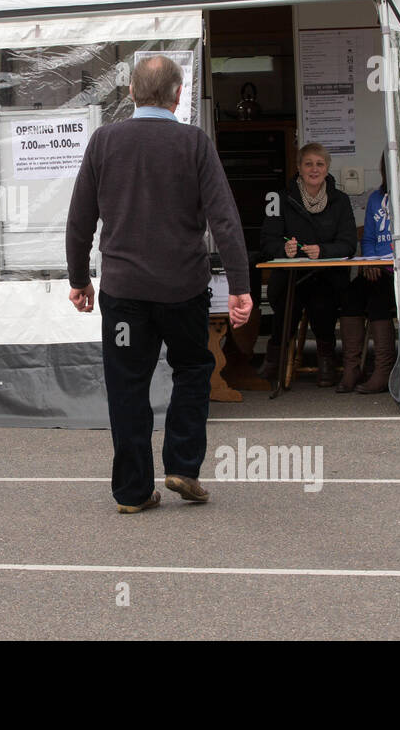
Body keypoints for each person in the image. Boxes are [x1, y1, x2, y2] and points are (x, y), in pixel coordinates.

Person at [65, 54, 252, 514]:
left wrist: (78, 279)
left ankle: (132, 492)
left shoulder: (104, 141)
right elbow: (224, 220)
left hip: (124, 294)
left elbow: (80, 220)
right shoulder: (194, 142)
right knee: (192, 369)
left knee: (127, 383)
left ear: (130, 91)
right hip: (183, 290)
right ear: (177, 95)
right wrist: (241, 286)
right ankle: (183, 467)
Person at [259, 142, 357, 387]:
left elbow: (348, 244)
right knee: (286, 301)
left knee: (322, 300)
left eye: (320, 164)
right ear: (299, 168)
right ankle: (275, 359)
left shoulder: (340, 200)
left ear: (327, 168)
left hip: (326, 276)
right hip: (290, 275)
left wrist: (323, 251)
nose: (314, 169)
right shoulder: (279, 199)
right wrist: (284, 249)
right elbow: (266, 241)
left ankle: (326, 359)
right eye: (308, 164)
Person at [339, 155, 397, 393]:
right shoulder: (375, 198)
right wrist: (370, 262)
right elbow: (370, 239)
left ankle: (384, 369)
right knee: (350, 295)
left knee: (378, 296)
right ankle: (352, 368)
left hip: (399, 272)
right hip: (376, 268)